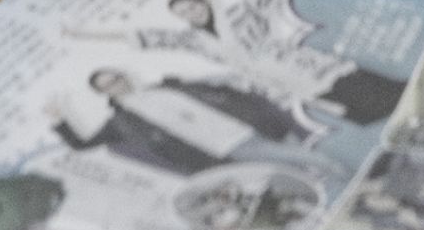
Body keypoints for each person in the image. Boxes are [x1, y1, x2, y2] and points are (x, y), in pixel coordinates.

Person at [54, 69, 311, 176]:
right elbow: (81, 144)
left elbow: (218, 91)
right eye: (109, 85)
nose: (117, 84)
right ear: (104, 93)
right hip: (224, 148)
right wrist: (59, 118)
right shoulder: (121, 122)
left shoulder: (166, 85)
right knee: (309, 161)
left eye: (117, 78)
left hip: (253, 126)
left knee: (305, 160)